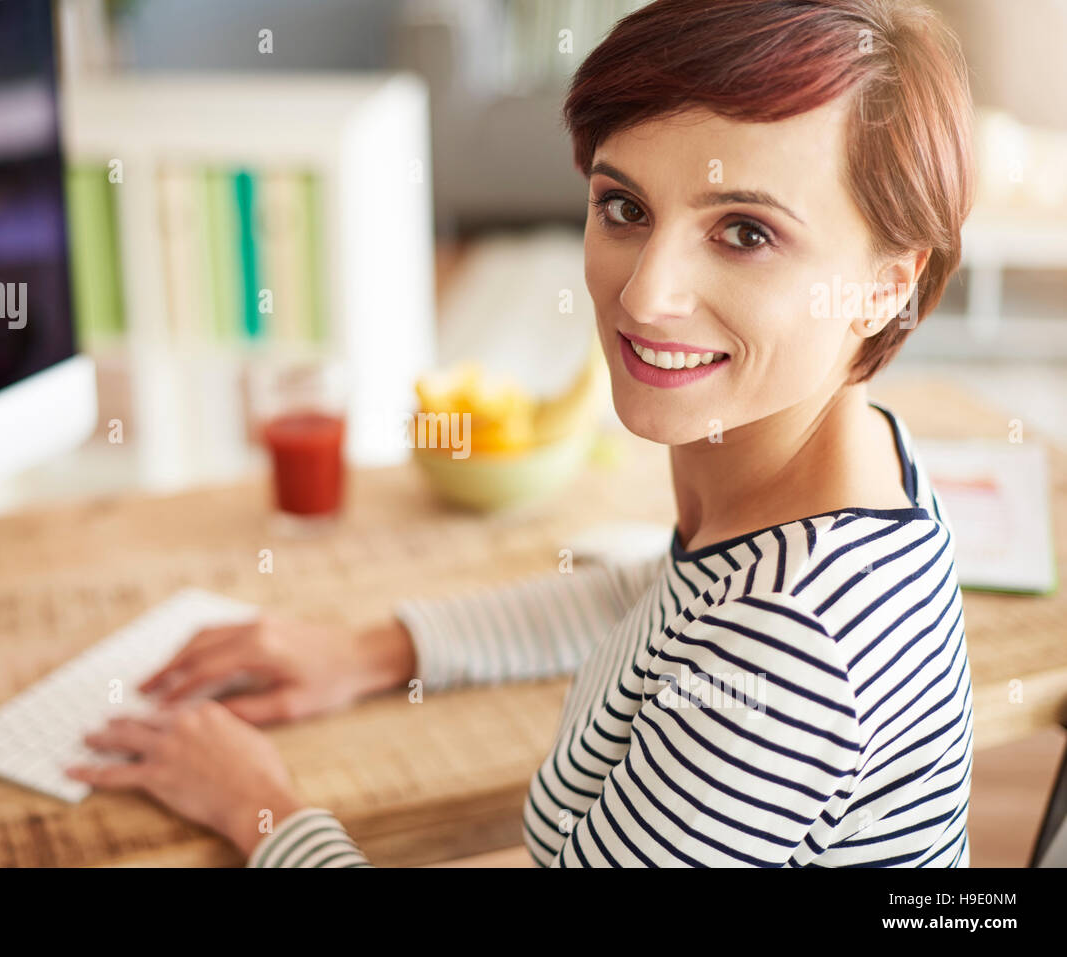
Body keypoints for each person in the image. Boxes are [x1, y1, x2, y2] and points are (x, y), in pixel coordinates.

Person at [67, 0, 975, 867]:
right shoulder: (841, 462)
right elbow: (656, 599)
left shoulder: (784, 661)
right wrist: (373, 650)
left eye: (744, 232)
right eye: (624, 207)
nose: (645, 294)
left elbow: (728, 641)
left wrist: (261, 807)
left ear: (888, 283)